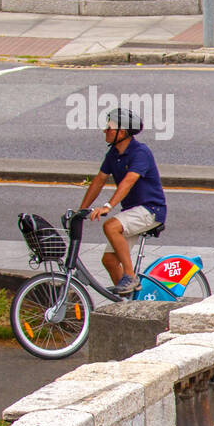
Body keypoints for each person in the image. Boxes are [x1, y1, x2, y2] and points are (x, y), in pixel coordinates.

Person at [77, 108, 168, 295]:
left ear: (123, 131)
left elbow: (128, 181)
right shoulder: (113, 154)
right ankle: (130, 302)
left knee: (111, 226)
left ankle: (130, 276)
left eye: (109, 127)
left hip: (150, 210)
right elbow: (99, 181)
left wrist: (107, 206)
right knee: (109, 260)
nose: (105, 130)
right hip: (133, 211)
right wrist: (81, 210)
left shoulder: (140, 152)